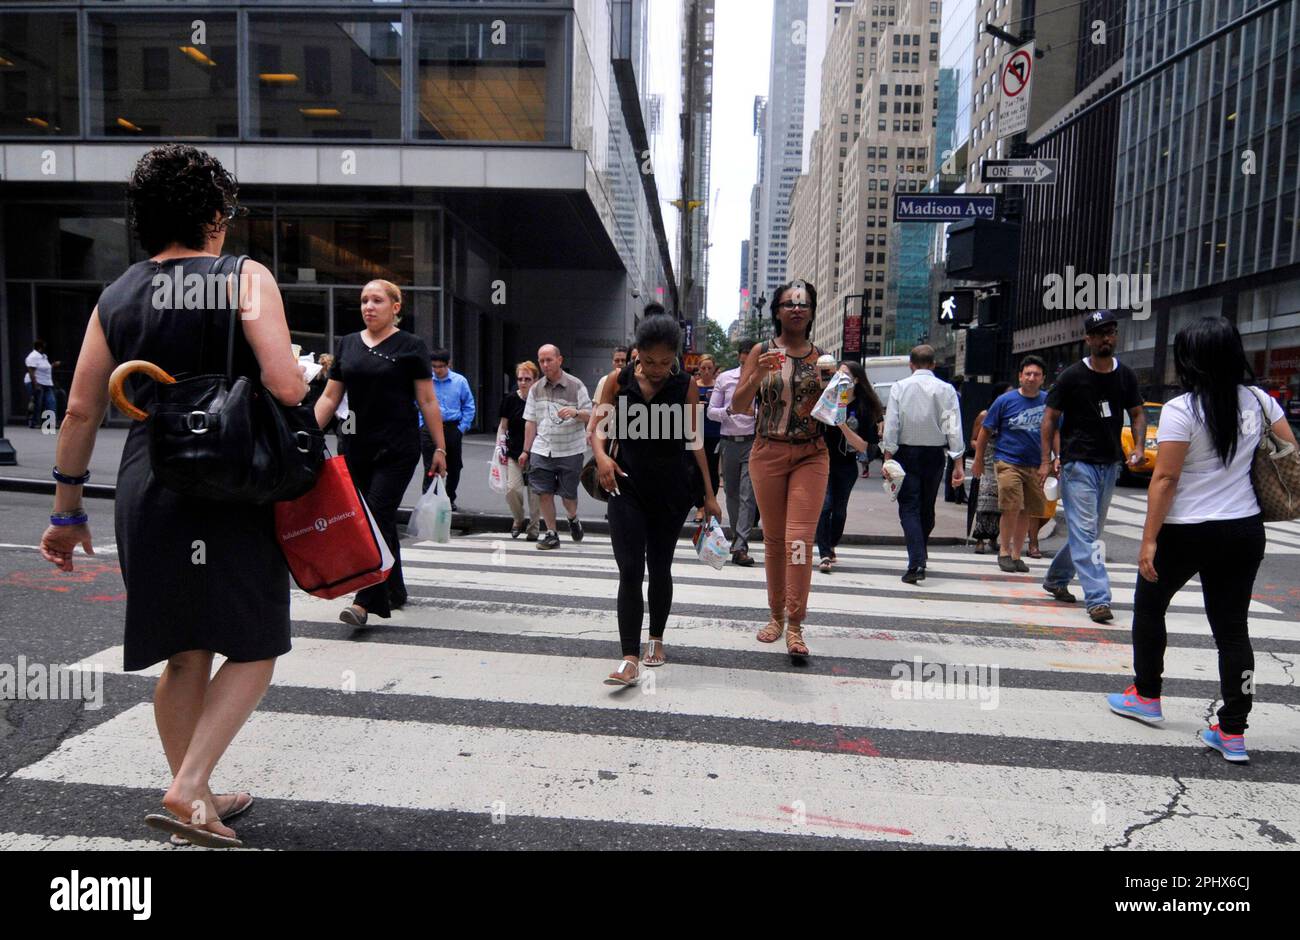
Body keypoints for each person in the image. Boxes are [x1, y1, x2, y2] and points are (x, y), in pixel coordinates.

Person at [39, 144, 308, 847]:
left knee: (184, 651)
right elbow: (284, 385)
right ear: (215, 217)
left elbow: (79, 410)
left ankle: (200, 796)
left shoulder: (118, 294)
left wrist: (67, 512)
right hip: (226, 476)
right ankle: (190, 786)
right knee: (255, 643)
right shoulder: (243, 276)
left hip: (148, 480)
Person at [1107, 317, 1297, 763]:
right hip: (1243, 528)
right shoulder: (1261, 402)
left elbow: (1166, 478)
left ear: (1188, 360)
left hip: (1186, 530)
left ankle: (1147, 696)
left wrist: (1148, 539)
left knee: (1150, 608)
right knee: (1233, 630)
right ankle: (1233, 730)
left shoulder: (1181, 409)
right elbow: (1291, 453)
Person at [593, 315, 722, 685]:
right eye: (650, 361)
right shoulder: (617, 382)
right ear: (638, 353)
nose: (657, 369)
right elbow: (599, 430)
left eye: (665, 362)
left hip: (671, 491)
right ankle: (629, 658)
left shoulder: (685, 386)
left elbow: (696, 443)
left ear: (675, 358)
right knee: (630, 570)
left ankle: (656, 638)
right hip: (625, 486)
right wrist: (602, 458)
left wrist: (709, 495)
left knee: (660, 565)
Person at [314, 280, 447, 627]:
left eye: (377, 300)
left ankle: (363, 601)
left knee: (373, 516)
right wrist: (307, 433)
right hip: (355, 445)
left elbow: (428, 400)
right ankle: (395, 589)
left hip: (397, 447)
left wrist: (440, 447)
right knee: (380, 520)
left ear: (395, 306)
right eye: (363, 301)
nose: (368, 306)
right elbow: (330, 397)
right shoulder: (347, 344)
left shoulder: (412, 346)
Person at [731, 280, 831, 659]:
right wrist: (756, 374)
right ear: (776, 311)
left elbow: (834, 414)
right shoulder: (761, 351)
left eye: (803, 304)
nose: (796, 309)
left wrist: (837, 394)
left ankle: (795, 624)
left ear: (811, 311)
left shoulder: (823, 357)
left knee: (800, 540)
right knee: (773, 540)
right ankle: (775, 615)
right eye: (789, 303)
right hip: (767, 451)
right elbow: (739, 406)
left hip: (811, 454)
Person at [1039, 310, 1145, 621]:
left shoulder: (1125, 375)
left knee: (1089, 532)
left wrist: (1138, 447)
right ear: (1088, 339)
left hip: (1110, 464)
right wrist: (1046, 460)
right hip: (1077, 464)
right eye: (1100, 333)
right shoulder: (1072, 376)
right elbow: (1049, 419)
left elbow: (1138, 414)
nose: (1107, 338)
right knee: (1087, 534)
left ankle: (1056, 579)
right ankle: (1098, 598)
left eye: (1111, 332)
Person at [881, 345, 965, 584]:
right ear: (934, 365)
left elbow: (893, 423)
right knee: (927, 507)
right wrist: (957, 460)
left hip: (906, 453)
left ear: (911, 364)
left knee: (909, 508)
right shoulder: (946, 389)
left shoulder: (900, 387)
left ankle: (916, 561)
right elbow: (952, 425)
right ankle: (921, 553)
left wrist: (888, 455)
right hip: (935, 454)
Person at [972, 356, 1050, 573]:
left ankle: (1016, 554)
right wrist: (978, 460)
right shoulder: (1005, 401)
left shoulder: (1048, 402)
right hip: (1008, 461)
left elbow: (1055, 432)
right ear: (1020, 376)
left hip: (1035, 464)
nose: (1031, 378)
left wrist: (1054, 459)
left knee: (1027, 510)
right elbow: (985, 430)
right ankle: (1004, 551)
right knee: (1011, 506)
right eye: (1028, 374)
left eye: (1036, 374)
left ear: (1043, 378)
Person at [521, 344, 592, 550]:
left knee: (568, 496)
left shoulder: (576, 385)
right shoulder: (536, 389)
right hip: (542, 449)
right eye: (541, 361)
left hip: (570, 449)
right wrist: (526, 450)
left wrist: (576, 412)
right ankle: (551, 533)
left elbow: (591, 415)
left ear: (559, 360)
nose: (544, 364)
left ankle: (572, 518)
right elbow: (530, 421)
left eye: (549, 360)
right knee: (544, 492)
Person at [816, 359, 883, 572]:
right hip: (823, 460)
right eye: (837, 374)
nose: (839, 379)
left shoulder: (864, 408)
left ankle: (832, 543)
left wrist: (842, 425)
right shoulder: (828, 398)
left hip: (846, 463)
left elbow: (865, 446)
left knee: (839, 510)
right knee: (824, 506)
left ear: (855, 380)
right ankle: (824, 553)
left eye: (844, 376)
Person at [708, 342, 759, 566]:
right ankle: (738, 540)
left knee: (748, 495)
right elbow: (711, 412)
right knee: (731, 493)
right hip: (728, 442)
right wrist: (730, 411)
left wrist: (755, 412)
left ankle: (740, 545)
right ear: (740, 357)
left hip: (753, 442)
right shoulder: (725, 378)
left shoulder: (763, 379)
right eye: (745, 356)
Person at [422, 349, 475, 506]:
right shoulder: (427, 381)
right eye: (434, 366)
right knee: (430, 466)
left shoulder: (459, 381)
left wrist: (461, 428)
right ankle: (429, 500)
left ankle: (449, 498)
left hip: (452, 427)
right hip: (429, 427)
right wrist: (421, 424)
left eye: (441, 366)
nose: (437, 370)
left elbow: (469, 406)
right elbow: (419, 404)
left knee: (454, 466)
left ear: (449, 364)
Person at [498, 361, 543, 539]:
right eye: (520, 379)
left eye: (527, 379)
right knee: (512, 489)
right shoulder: (510, 399)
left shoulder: (541, 399)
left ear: (535, 380)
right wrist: (499, 447)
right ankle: (518, 519)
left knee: (535, 493)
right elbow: (503, 426)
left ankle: (534, 527)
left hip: (537, 452)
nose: (523, 382)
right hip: (514, 451)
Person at [968, 382, 1011, 553]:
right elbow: (972, 439)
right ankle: (979, 539)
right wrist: (980, 448)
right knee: (985, 500)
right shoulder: (984, 415)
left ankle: (994, 537)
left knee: (1001, 502)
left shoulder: (1010, 416)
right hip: (986, 461)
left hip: (1005, 460)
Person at [693, 354, 723, 522]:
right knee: (695, 469)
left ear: (714, 369)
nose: (705, 372)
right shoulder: (693, 386)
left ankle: (711, 500)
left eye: (709, 368)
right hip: (696, 432)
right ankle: (700, 506)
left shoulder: (718, 387)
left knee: (712, 468)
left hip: (714, 432)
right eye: (703, 368)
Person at [25, 340, 60, 429]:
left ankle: (50, 423)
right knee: (38, 403)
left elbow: (44, 369)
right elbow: (31, 371)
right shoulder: (32, 357)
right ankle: (34, 422)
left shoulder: (43, 357)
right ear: (40, 348)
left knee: (51, 402)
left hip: (46, 383)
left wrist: (52, 365)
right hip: (37, 383)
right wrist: (36, 385)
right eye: (44, 347)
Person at [944, 374, 967, 504]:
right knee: (954, 463)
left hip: (952, 433)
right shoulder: (956, 397)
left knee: (951, 463)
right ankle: (955, 493)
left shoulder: (953, 395)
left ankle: (952, 493)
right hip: (956, 433)